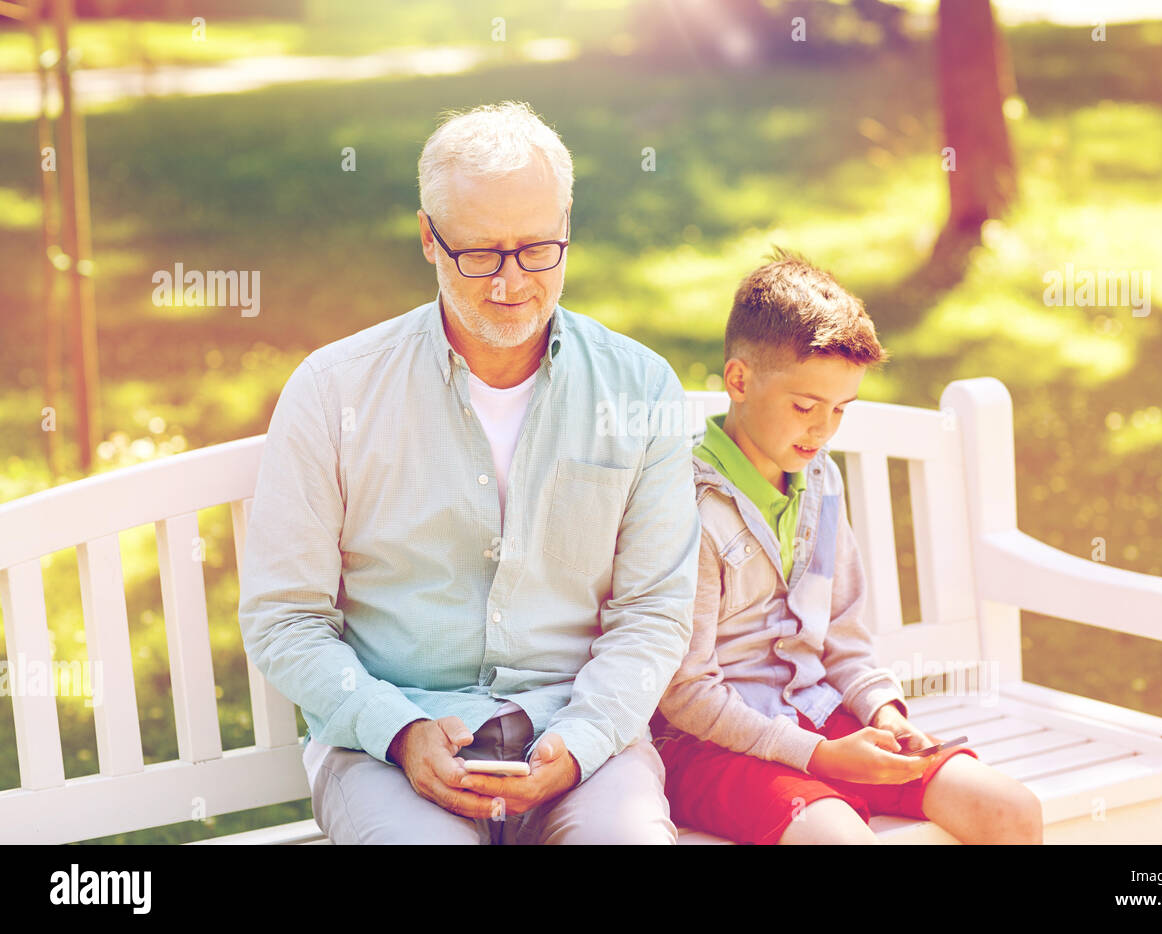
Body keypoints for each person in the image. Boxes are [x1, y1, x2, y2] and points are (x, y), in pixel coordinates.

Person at [239, 101, 699, 844]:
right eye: (480, 253)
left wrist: (581, 741)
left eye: (538, 250)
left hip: (580, 738)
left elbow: (653, 614)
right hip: (386, 749)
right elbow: (284, 618)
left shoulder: (640, 391)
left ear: (569, 230)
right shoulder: (335, 391)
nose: (511, 283)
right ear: (428, 237)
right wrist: (398, 730)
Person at [652, 247, 1044, 844]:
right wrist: (821, 758)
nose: (822, 429)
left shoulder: (820, 482)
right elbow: (685, 694)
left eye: (840, 410)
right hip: (709, 747)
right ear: (739, 380)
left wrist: (886, 713)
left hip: (818, 713)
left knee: (1009, 808)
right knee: (840, 837)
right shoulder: (689, 507)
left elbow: (844, 640)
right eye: (805, 406)